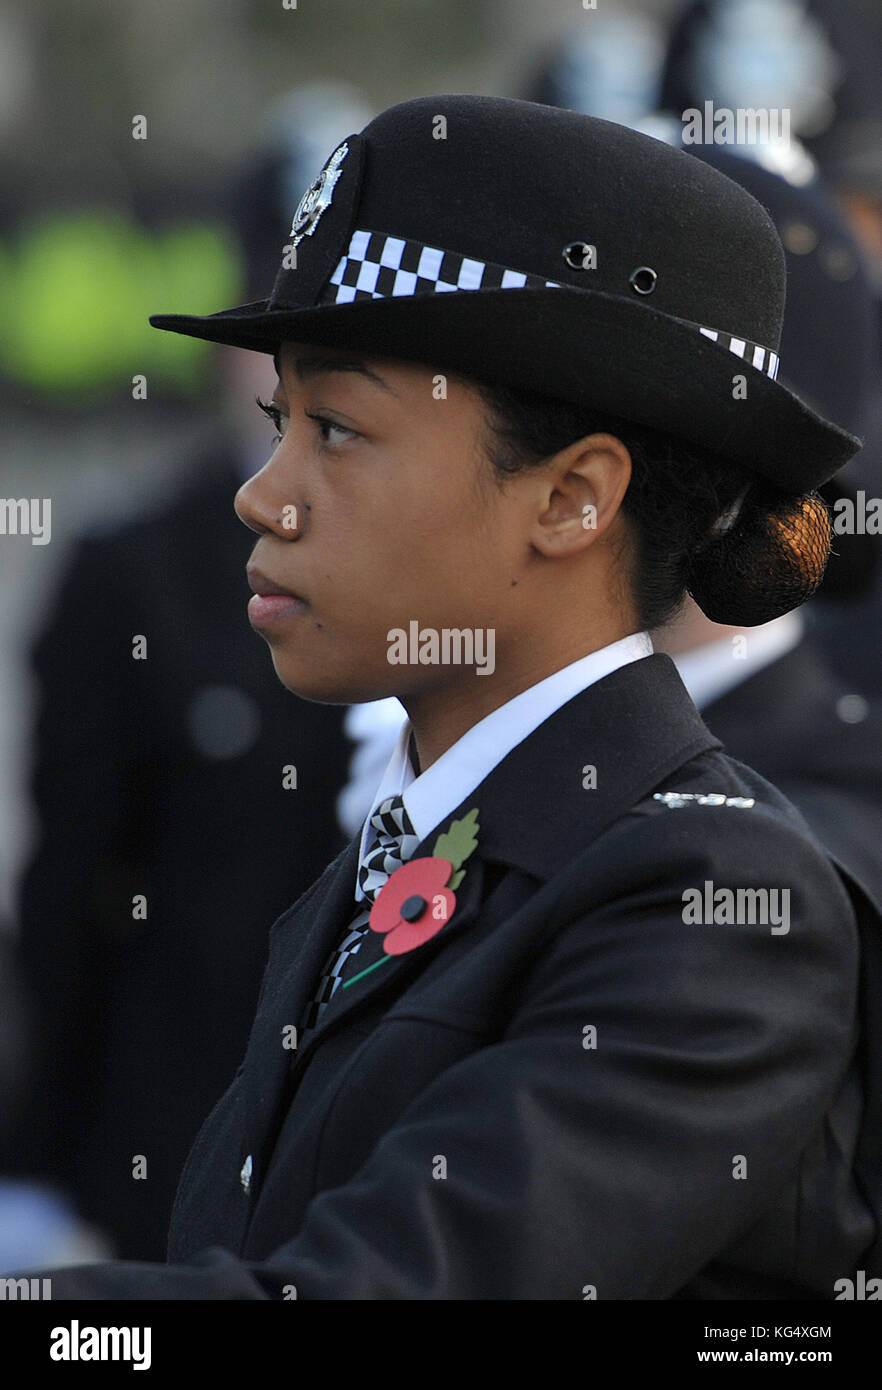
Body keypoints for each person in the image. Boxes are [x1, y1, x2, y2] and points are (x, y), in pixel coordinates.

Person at [17, 93, 879, 1298]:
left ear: (572, 497)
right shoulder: (421, 844)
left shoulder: (716, 909)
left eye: (339, 429)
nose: (266, 497)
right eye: (279, 421)